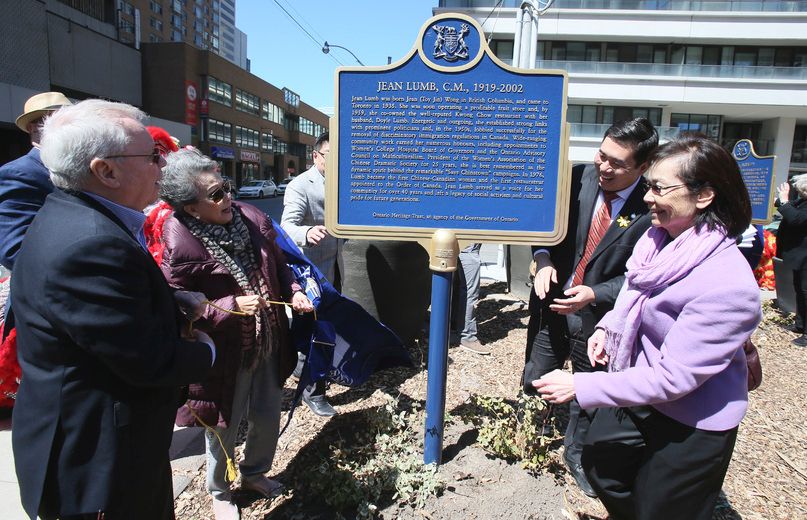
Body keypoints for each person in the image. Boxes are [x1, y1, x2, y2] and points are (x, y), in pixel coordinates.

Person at [533, 134, 761, 520]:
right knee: (602, 465)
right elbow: (633, 296)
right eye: (649, 185)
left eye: (658, 187)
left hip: (691, 416)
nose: (648, 197)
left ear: (703, 196)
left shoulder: (728, 286)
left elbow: (674, 379)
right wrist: (607, 326)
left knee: (664, 508)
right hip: (639, 386)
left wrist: (580, 385)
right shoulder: (658, 240)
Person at [11, 99, 215, 520]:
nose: (162, 166)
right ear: (106, 170)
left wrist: (170, 302)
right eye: (152, 157)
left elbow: (106, 315)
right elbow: (149, 360)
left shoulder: (82, 217)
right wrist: (210, 348)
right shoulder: (90, 244)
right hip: (98, 465)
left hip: (116, 443)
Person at [158, 149, 314, 520]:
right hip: (226, 351)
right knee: (223, 425)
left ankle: (255, 475)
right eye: (215, 195)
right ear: (192, 208)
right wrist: (225, 305)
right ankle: (220, 491)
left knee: (266, 415)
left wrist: (292, 291)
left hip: (269, 340)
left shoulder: (252, 216)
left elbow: (280, 264)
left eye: (225, 187)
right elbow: (171, 301)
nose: (227, 197)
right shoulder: (180, 239)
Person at [523, 118, 658, 496]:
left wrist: (594, 293)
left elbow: (641, 276)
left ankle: (577, 454)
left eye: (617, 163)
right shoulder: (577, 178)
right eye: (602, 155)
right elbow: (540, 226)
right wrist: (544, 258)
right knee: (538, 369)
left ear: (642, 167)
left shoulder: (651, 208)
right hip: (552, 305)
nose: (604, 167)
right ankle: (530, 427)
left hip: (600, 319)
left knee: (587, 392)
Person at [281, 131, 343, 417]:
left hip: (339, 267)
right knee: (319, 330)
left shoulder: (345, 179)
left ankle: (301, 367)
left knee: (317, 329)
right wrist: (306, 232)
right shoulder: (299, 186)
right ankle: (314, 392)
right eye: (330, 153)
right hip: (311, 274)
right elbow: (285, 228)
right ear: (316, 155)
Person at [775, 174, 807, 346]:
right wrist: (781, 200)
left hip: (805, 257)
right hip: (799, 256)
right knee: (800, 291)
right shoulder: (801, 203)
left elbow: (796, 219)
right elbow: (786, 208)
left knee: (806, 292)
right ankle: (800, 324)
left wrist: (785, 200)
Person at [452, 243, 489, 354]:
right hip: (468, 247)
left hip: (457, 244)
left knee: (456, 287)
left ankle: (452, 328)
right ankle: (467, 336)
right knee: (469, 291)